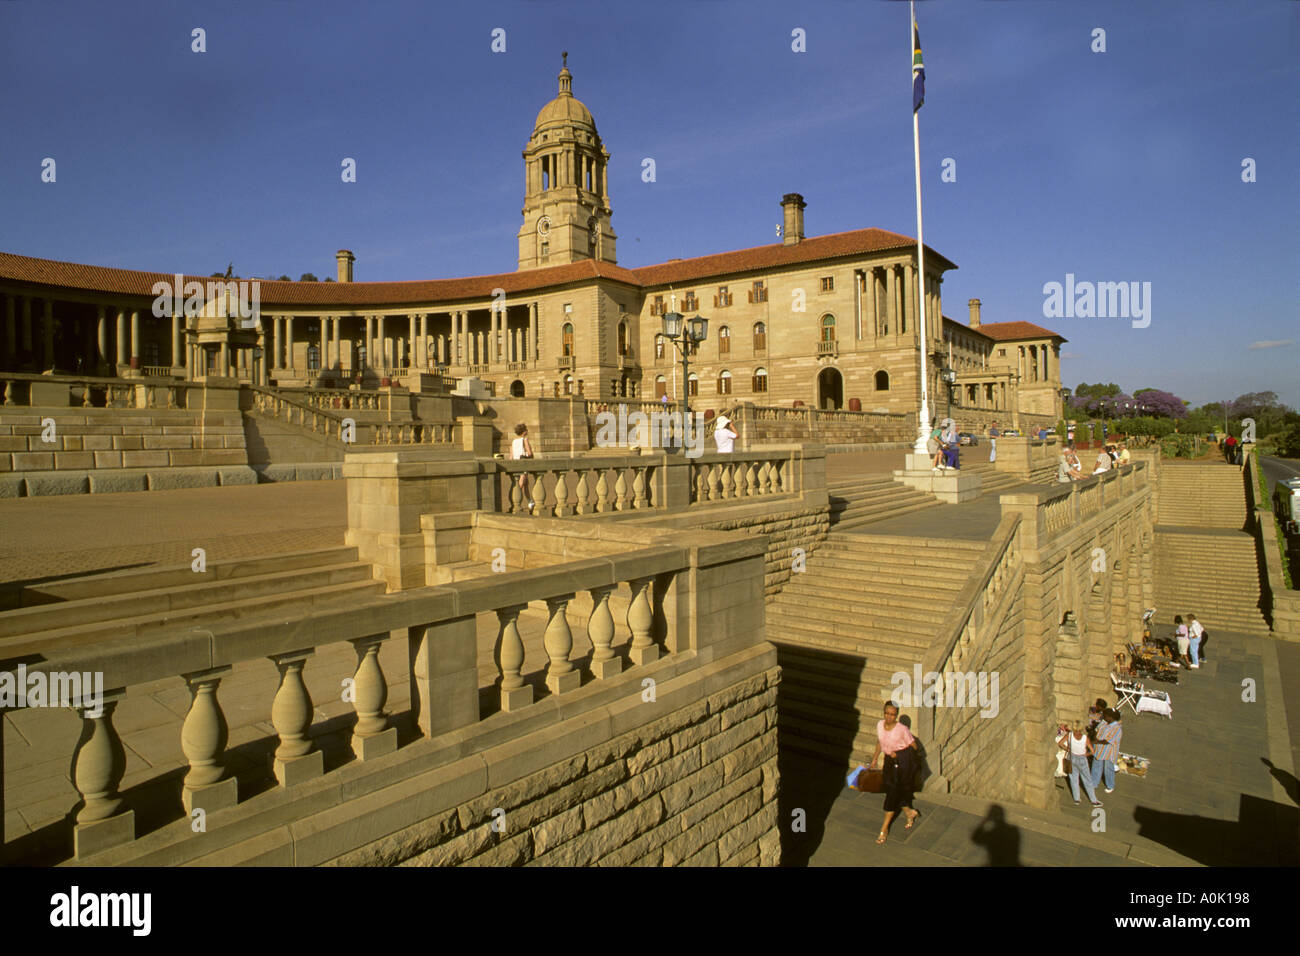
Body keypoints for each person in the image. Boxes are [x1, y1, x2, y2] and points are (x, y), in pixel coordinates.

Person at [870, 701, 920, 843]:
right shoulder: (880, 725)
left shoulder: (902, 729)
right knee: (891, 789)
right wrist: (874, 759)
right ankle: (909, 812)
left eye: (892, 714)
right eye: (887, 713)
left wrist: (899, 755)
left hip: (901, 764)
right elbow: (880, 742)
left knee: (892, 794)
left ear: (896, 715)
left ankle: (884, 829)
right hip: (888, 762)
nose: (889, 717)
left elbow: (914, 746)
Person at [1059, 723, 1103, 807]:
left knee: (1073, 778)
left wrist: (1068, 749)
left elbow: (1061, 743)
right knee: (1087, 780)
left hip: (1072, 757)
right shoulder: (1084, 738)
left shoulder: (1069, 735)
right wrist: (1085, 755)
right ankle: (1093, 800)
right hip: (1082, 759)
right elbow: (1092, 751)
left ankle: (1077, 799)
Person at [1091, 709, 1123, 794]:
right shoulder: (1104, 722)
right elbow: (1097, 730)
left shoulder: (1117, 728)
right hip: (1098, 749)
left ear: (1110, 717)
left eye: (1105, 715)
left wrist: (1097, 741)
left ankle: (1110, 785)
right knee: (1096, 765)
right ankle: (1094, 782)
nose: (1103, 717)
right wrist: (1095, 737)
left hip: (1109, 752)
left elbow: (1108, 740)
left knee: (1108, 769)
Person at [510, 423, 536, 512]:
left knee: (525, 484)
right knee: (521, 484)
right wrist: (531, 457)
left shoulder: (513, 441)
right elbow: (529, 453)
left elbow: (511, 455)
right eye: (526, 430)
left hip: (516, 463)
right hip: (523, 463)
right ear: (524, 432)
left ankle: (530, 501)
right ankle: (516, 502)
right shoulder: (524, 440)